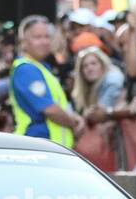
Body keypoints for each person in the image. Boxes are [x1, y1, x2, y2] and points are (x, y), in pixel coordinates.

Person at [9, 15, 84, 147]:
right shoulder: (26, 69)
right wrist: (74, 123)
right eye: (37, 37)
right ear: (23, 42)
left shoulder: (41, 68)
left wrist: (73, 116)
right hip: (36, 147)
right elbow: (50, 109)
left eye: (47, 37)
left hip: (47, 148)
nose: (44, 41)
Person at [69, 45, 125, 123]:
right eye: (85, 66)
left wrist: (88, 114)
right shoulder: (86, 88)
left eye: (94, 64)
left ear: (102, 65)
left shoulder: (112, 82)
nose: (90, 68)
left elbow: (100, 114)